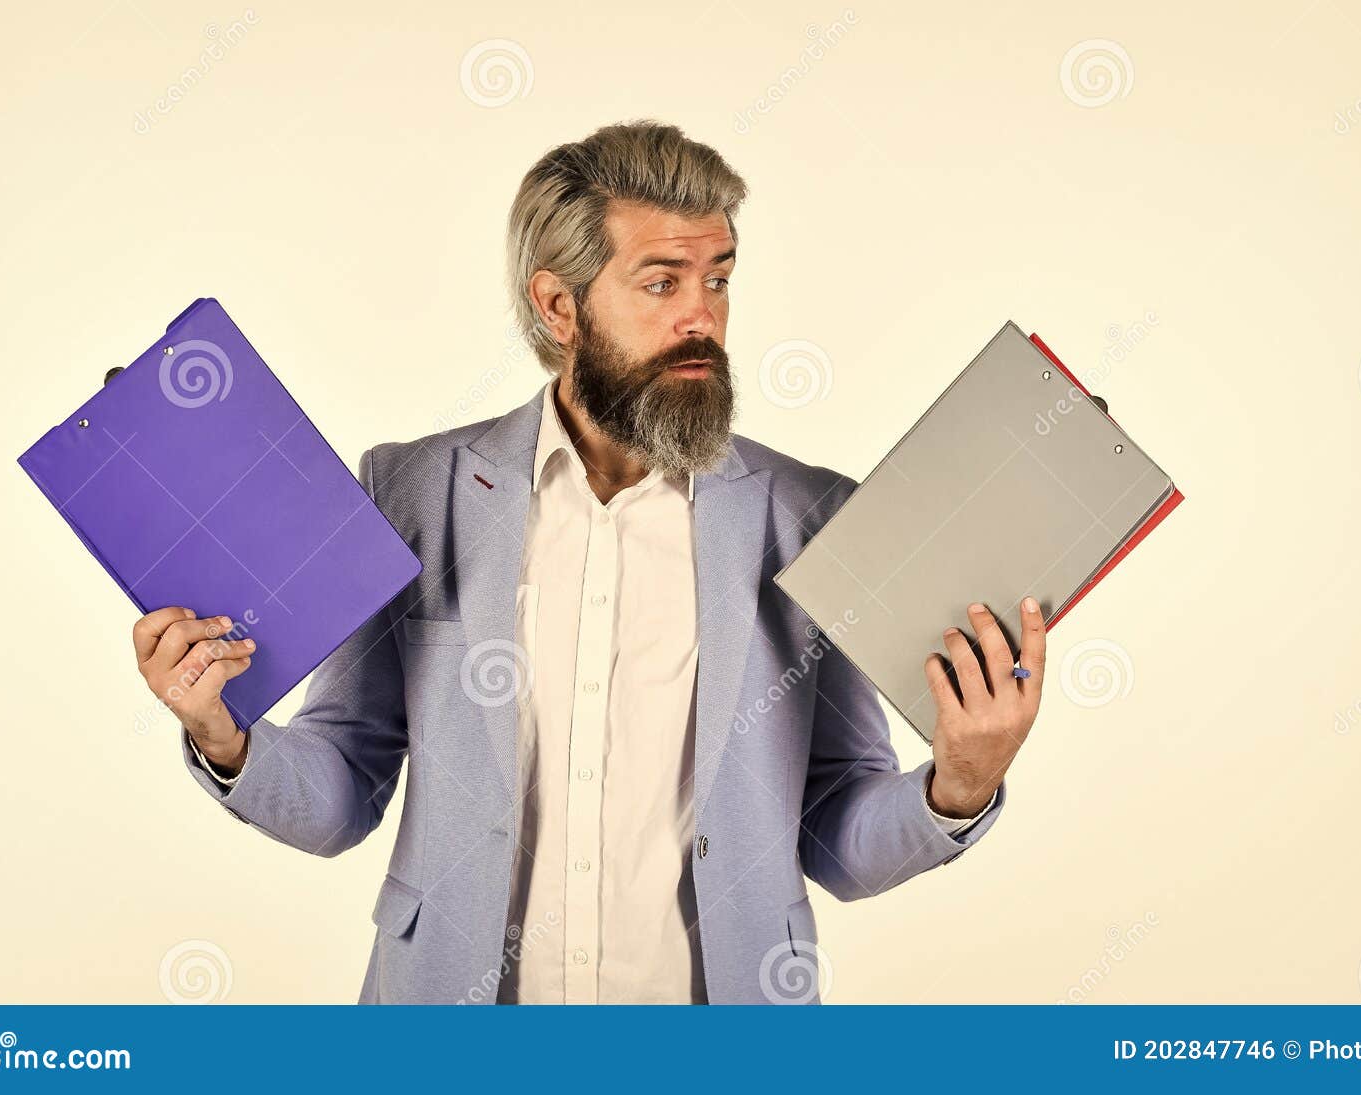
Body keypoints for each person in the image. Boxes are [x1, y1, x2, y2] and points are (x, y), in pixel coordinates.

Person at [130, 119, 1044, 1004]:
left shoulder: (808, 513)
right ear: (559, 305)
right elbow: (342, 790)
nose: (703, 316)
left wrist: (960, 784)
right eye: (662, 282)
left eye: (719, 279)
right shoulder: (414, 490)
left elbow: (836, 834)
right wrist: (224, 733)